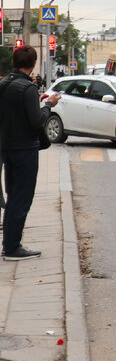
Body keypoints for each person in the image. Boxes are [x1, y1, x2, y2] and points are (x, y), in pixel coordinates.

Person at [0, 46, 62, 260]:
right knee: (22, 198)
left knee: (12, 196)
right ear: (33, 64)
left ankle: (9, 244)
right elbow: (37, 122)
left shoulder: (4, 83)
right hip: (25, 149)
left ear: (14, 61)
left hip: (6, 147)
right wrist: (48, 105)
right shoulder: (26, 89)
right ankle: (12, 247)